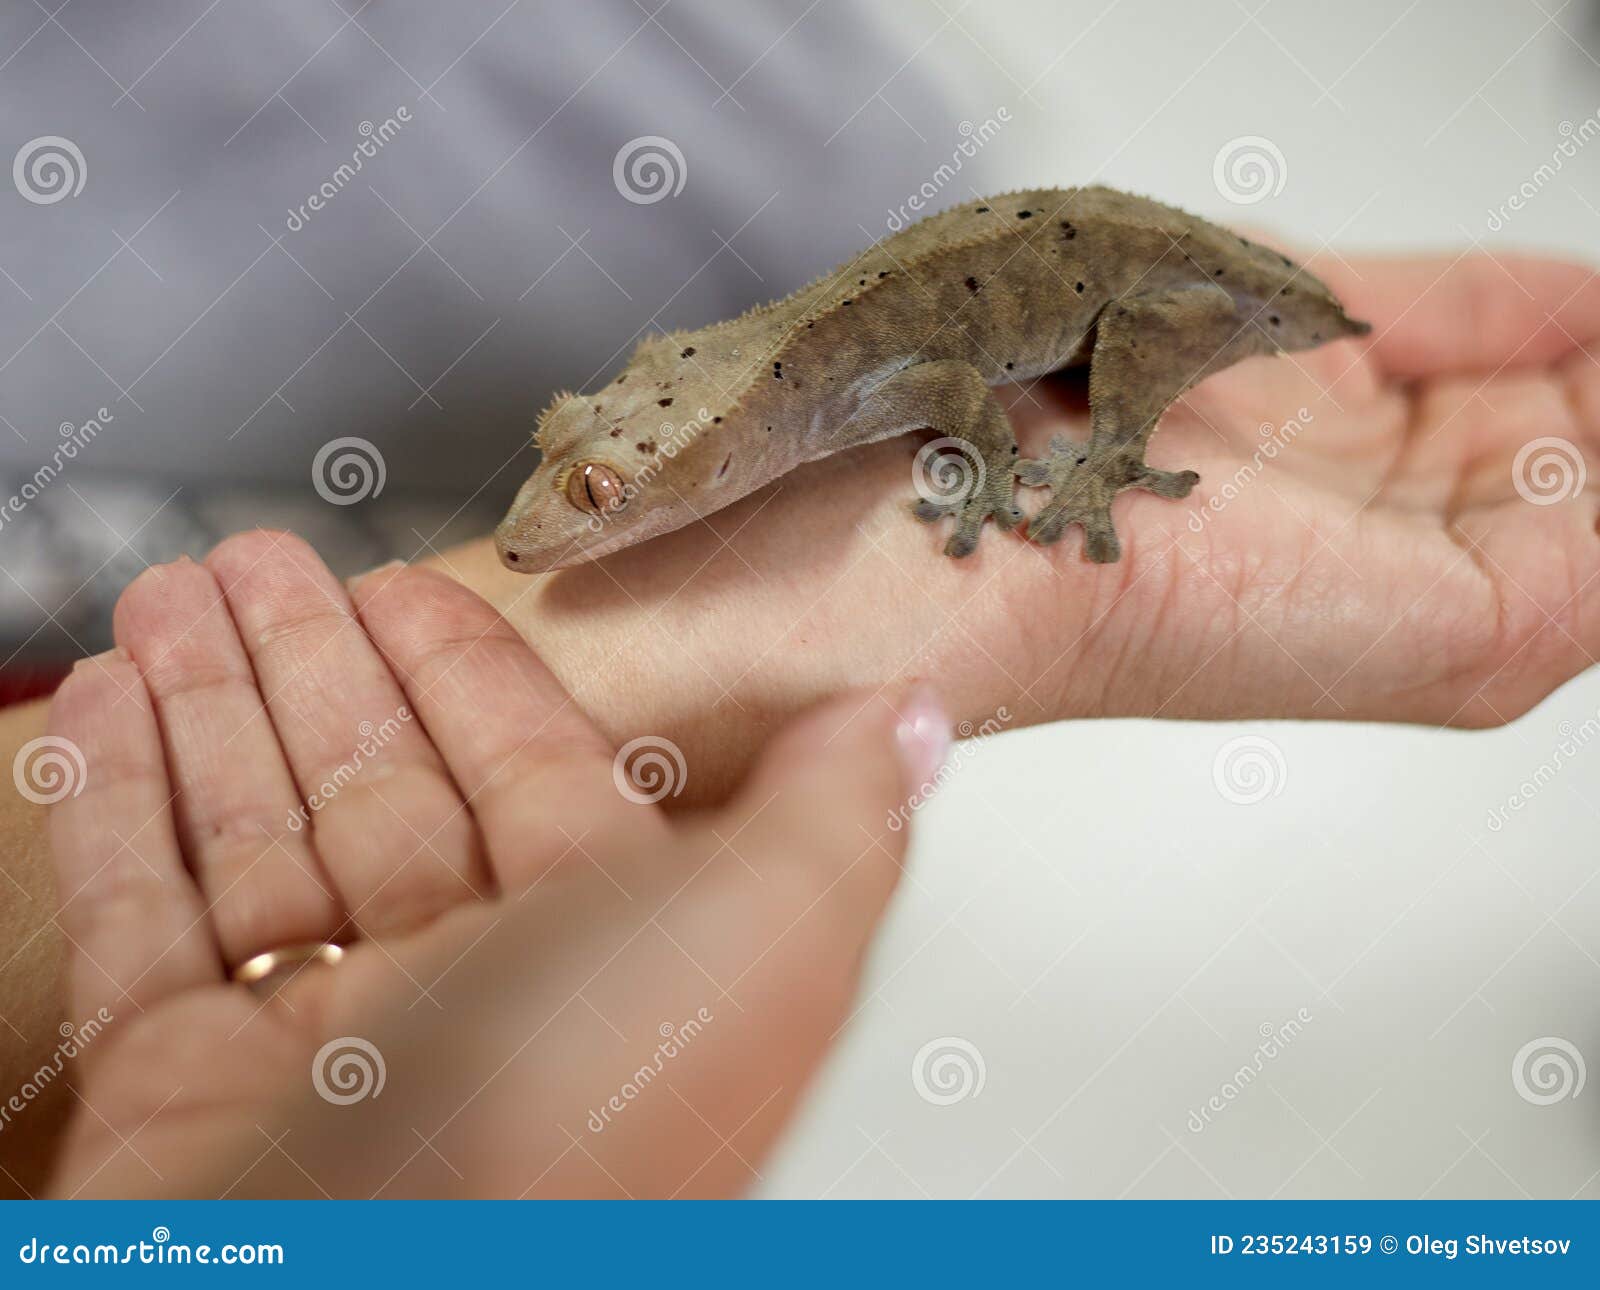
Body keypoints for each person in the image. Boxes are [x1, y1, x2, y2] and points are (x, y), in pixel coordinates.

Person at [3, 248, 1600, 1195]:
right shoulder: (758, 404)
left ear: (708, 451)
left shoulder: (828, 397)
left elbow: (966, 407)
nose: (555, 524)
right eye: (577, 473)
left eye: (603, 492)